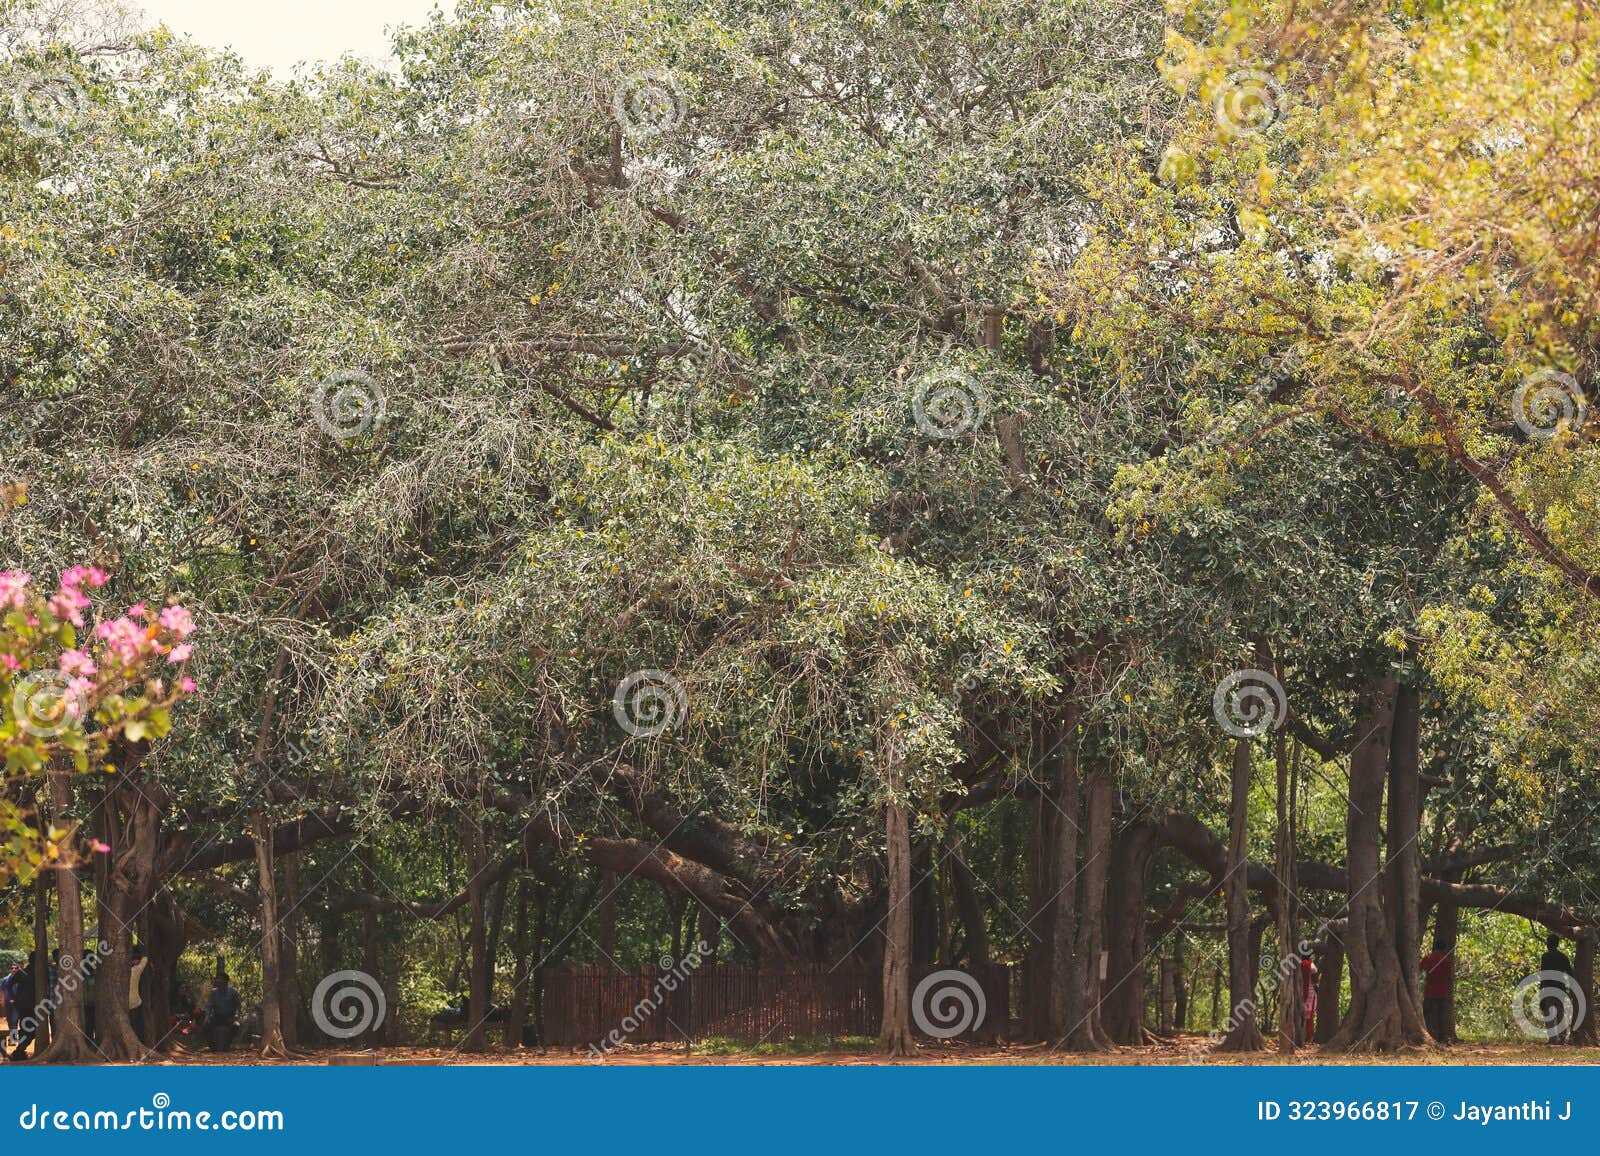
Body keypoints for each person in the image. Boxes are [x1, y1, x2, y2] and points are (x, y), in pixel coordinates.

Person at [1540, 934, 1576, 1044]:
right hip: (1560, 988)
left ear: (1548, 944)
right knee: (1560, 1013)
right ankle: (1562, 1037)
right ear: (1557, 944)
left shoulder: (1545, 956)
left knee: (1549, 1014)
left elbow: (1543, 974)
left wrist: (1541, 989)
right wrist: (1570, 989)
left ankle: (1552, 1038)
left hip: (1548, 987)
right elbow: (1570, 973)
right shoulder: (1563, 957)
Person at [1421, 937, 1454, 1042]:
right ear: (1444, 948)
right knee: (1441, 1014)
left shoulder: (1429, 958)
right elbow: (1449, 976)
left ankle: (1430, 1034)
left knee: (1428, 1013)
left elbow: (1421, 967)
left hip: (1430, 991)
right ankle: (1442, 1036)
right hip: (1442, 991)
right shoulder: (1446, 960)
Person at [6, 962, 36, 1060]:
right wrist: (14, 998)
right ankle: (18, 1053)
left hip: (32, 1006)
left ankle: (19, 1052)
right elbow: (9, 985)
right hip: (25, 1006)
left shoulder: (38, 972)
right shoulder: (23, 972)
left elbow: (9, 985)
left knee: (28, 1029)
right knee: (29, 1029)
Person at [202, 973, 241, 1053]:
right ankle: (213, 1047)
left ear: (226, 981)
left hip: (229, 1018)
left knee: (236, 1026)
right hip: (217, 1017)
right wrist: (207, 1017)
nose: (218, 981)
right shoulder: (214, 992)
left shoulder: (233, 992)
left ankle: (227, 1045)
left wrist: (236, 1016)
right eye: (217, 979)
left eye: (220, 979)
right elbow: (209, 1006)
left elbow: (238, 1006)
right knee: (205, 1025)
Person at [127, 945, 149, 1042]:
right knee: (136, 1025)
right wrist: (142, 957)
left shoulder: (125, 971)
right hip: (135, 1003)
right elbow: (145, 960)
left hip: (125, 1003)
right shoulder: (136, 970)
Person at [1299, 955, 1318, 1043]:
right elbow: (1315, 977)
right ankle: (1308, 1037)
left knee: (1301, 1015)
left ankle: (1303, 1036)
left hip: (1300, 992)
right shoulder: (1310, 965)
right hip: (1309, 992)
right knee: (1309, 1016)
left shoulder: (1298, 964)